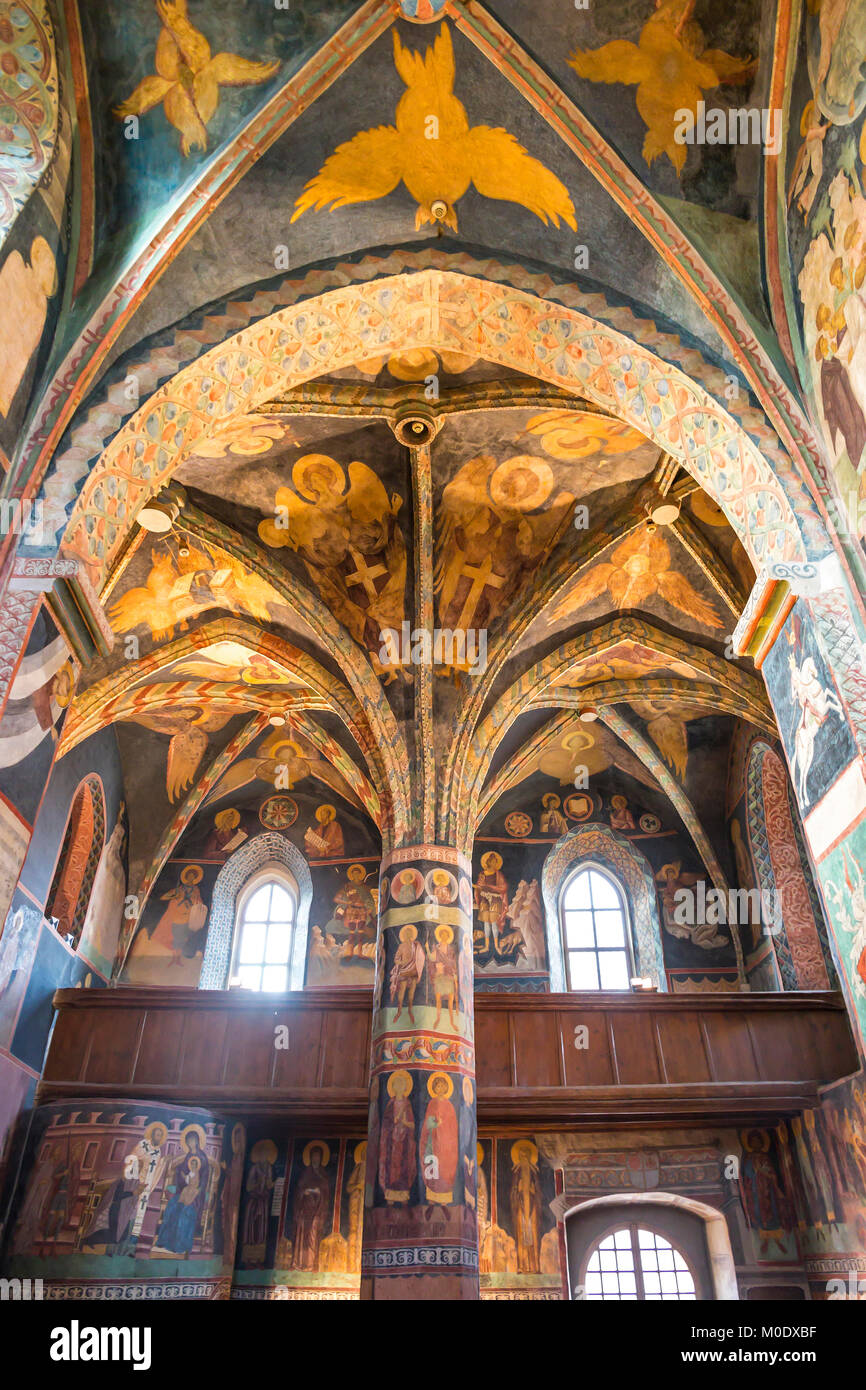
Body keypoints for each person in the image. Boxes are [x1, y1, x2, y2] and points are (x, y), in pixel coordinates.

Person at [419, 1073, 458, 1205]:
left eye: (442, 1086)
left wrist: (444, 1125)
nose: (440, 1088)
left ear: (446, 1088)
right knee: (433, 1166)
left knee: (444, 1169)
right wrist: (436, 1124)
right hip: (433, 1141)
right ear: (434, 1088)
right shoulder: (432, 1103)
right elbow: (428, 1123)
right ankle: (431, 1197)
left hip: (446, 1144)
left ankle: (444, 1201)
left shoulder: (449, 1105)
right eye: (437, 1086)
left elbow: (452, 1126)